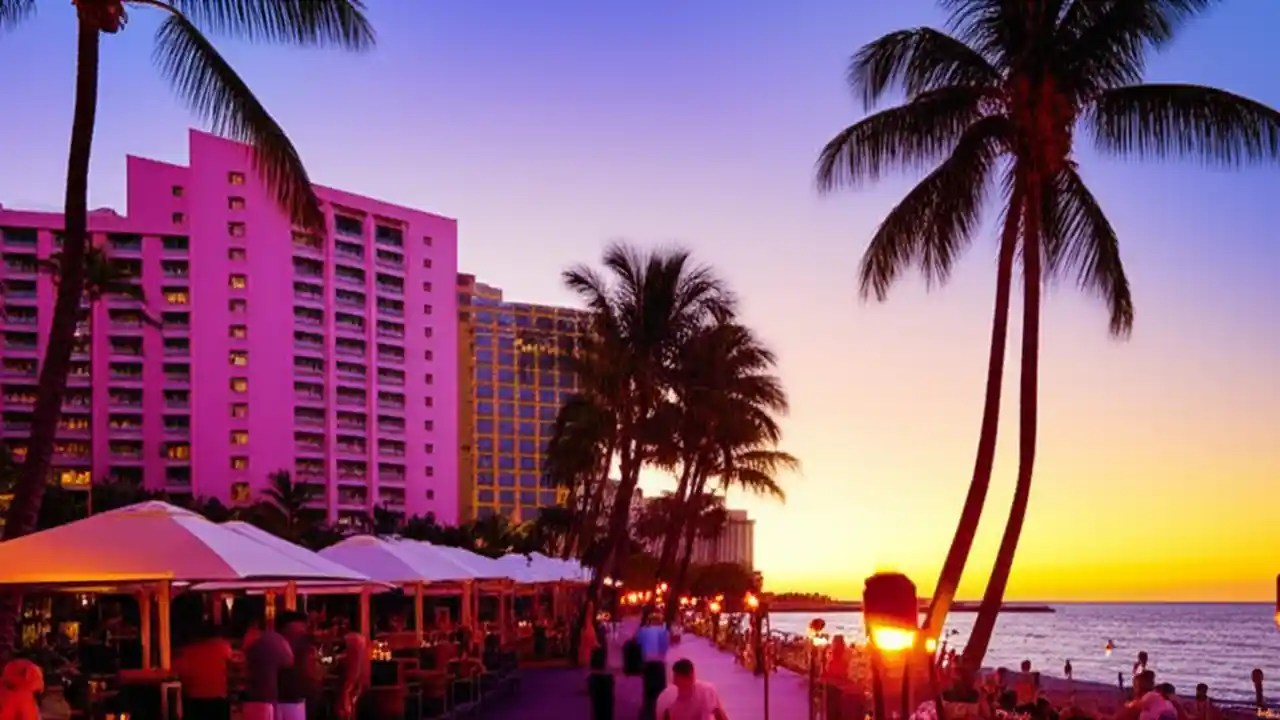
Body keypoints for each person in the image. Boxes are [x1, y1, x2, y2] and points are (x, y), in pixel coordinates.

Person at [175, 624, 233, 720]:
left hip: (195, 702)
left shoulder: (187, 651)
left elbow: (179, 673)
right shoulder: (223, 647)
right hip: (218, 700)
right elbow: (232, 664)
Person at [243, 616, 295, 720]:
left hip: (255, 695)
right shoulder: (279, 640)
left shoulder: (252, 641)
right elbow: (290, 662)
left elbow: (246, 664)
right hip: (275, 694)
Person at [276, 611, 318, 720]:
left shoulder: (306, 644)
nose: (303, 630)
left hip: (306, 694)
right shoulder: (279, 646)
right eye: (300, 626)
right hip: (290, 696)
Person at [655, 659, 728, 720]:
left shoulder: (707, 691)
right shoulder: (667, 699)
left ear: (692, 677)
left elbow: (720, 715)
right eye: (677, 683)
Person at [636, 613, 671, 720]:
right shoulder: (663, 631)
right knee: (660, 691)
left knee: (648, 690)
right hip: (659, 664)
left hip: (646, 664)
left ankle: (647, 713)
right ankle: (660, 713)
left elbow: (639, 644)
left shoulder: (642, 631)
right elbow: (665, 647)